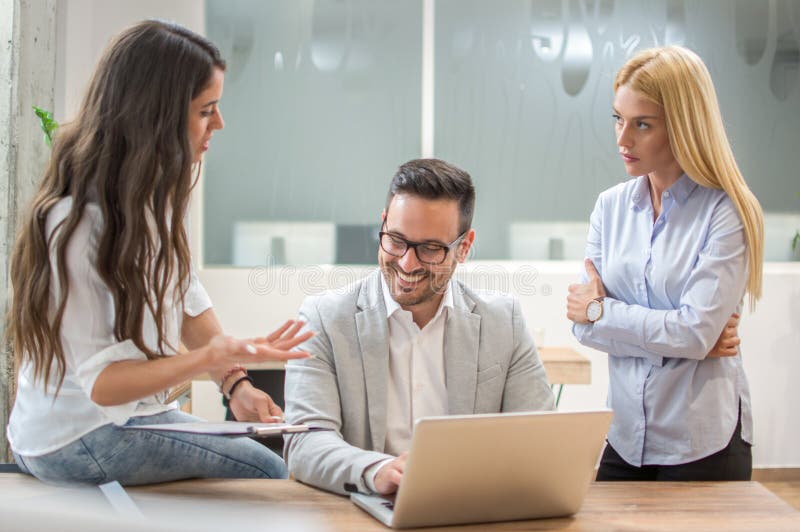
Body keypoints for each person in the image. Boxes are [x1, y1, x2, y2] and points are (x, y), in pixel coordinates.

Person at [6, 20, 313, 486]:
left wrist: (236, 384)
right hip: (76, 436)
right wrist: (207, 358)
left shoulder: (149, 201)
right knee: (267, 470)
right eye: (206, 110)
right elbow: (103, 385)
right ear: (157, 116)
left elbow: (186, 302)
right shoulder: (78, 224)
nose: (219, 123)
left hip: (115, 422)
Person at [283, 158, 555, 496]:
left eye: (430, 249)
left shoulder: (503, 321)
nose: (407, 263)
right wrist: (376, 470)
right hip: (362, 506)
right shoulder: (324, 317)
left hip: (469, 506)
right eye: (396, 240)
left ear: (464, 247)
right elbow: (305, 443)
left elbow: (538, 437)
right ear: (383, 223)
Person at [567, 46, 763, 481]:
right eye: (618, 119)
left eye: (642, 124)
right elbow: (582, 327)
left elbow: (692, 333)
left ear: (683, 125)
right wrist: (682, 340)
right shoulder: (609, 208)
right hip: (624, 435)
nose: (623, 139)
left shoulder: (726, 212)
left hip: (701, 441)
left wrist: (603, 312)